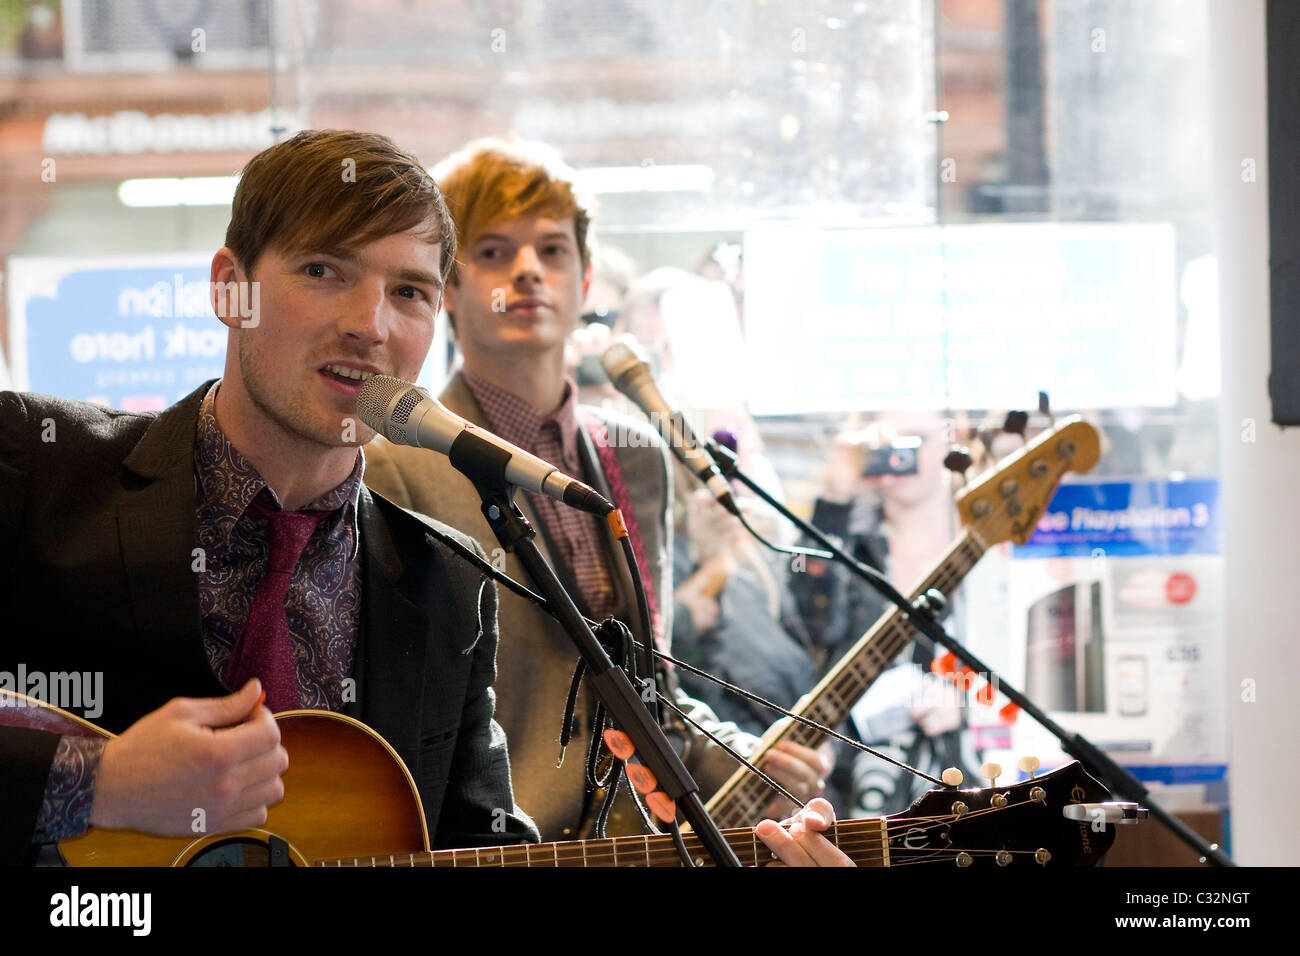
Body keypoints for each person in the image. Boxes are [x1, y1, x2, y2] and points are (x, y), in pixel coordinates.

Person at [0, 129, 539, 864]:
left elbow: (476, 839)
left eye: (408, 293)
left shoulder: (451, 581)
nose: (369, 325)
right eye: (323, 270)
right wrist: (96, 784)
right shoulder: (34, 467)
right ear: (230, 287)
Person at [363, 137, 832, 841]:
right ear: (448, 288)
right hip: (496, 851)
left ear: (585, 279)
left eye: (552, 250)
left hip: (639, 839)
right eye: (494, 251)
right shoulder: (396, 466)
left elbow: (652, 688)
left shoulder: (635, 454)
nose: (528, 272)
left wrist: (737, 759)